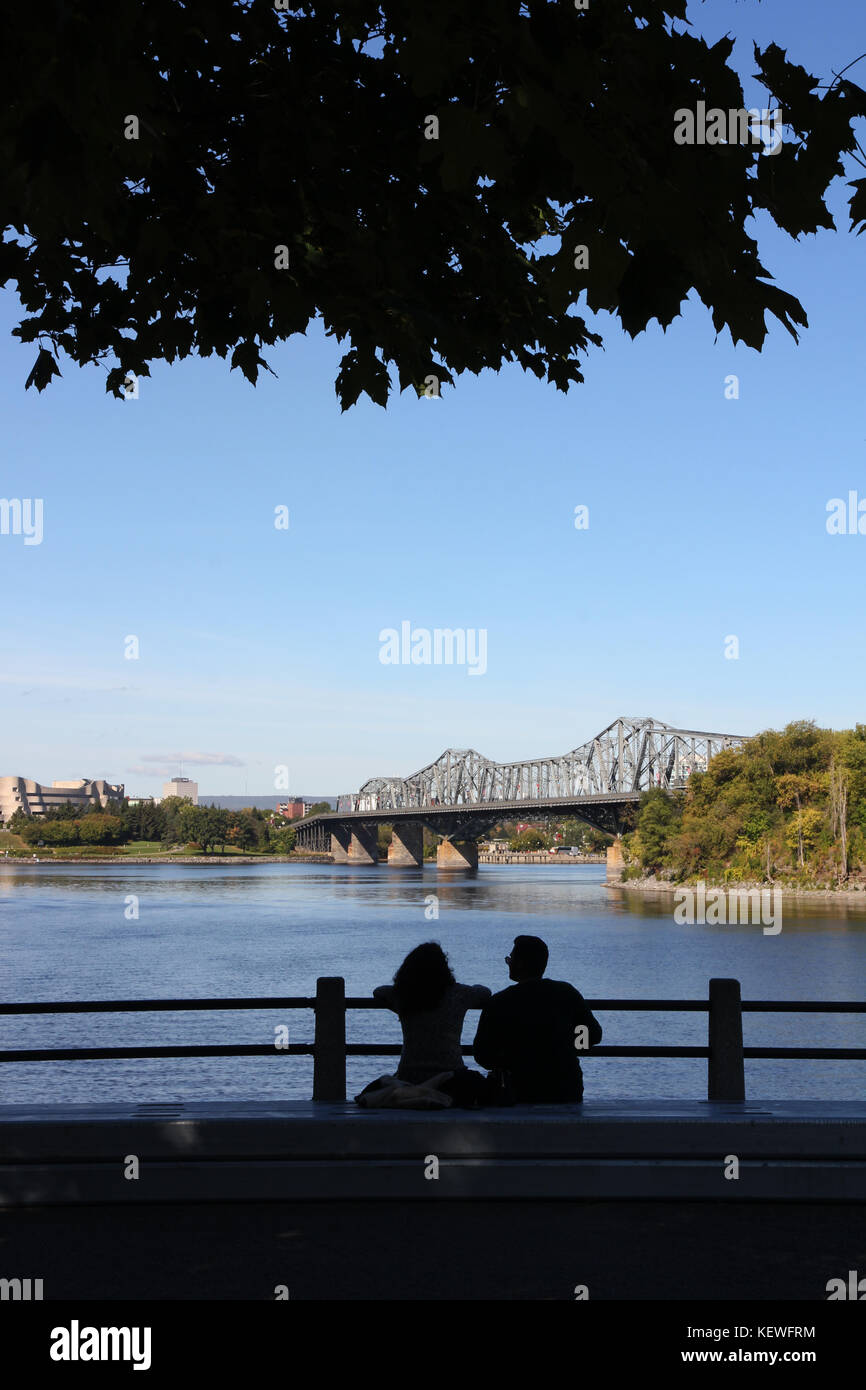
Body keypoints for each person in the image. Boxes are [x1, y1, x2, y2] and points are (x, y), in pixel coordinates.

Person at [472, 934, 602, 1102]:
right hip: (567, 1088)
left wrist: (509, 1058)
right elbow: (594, 1034)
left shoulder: (499, 1001)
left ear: (519, 964)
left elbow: (482, 1055)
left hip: (518, 1090)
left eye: (510, 959)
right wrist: (567, 1046)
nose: (508, 963)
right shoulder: (567, 992)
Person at [372, 942, 491, 1084]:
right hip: (450, 1077)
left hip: (409, 1077)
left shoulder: (402, 995)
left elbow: (379, 991)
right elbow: (485, 992)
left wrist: (401, 999)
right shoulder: (459, 994)